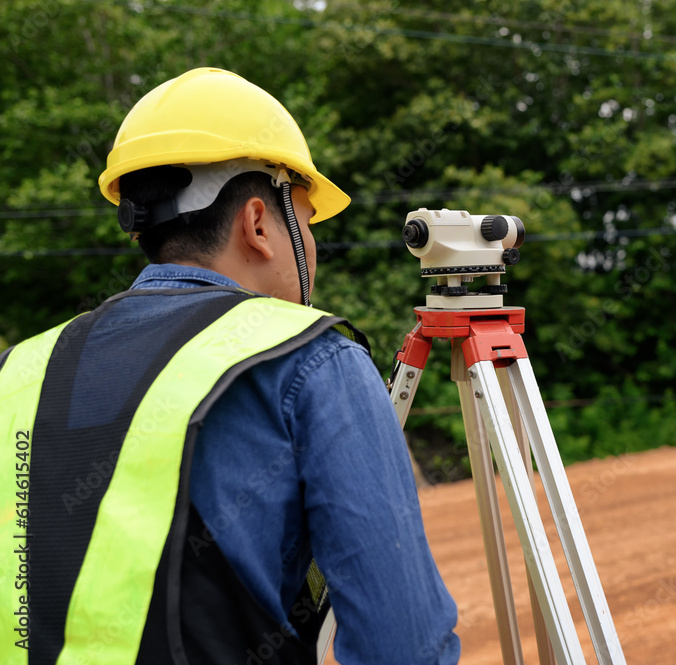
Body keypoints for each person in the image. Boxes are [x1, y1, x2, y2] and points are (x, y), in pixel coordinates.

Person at [0, 67, 460, 665]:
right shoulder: (314, 360)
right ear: (260, 224)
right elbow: (403, 648)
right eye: (307, 218)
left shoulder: (19, 371)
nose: (313, 246)